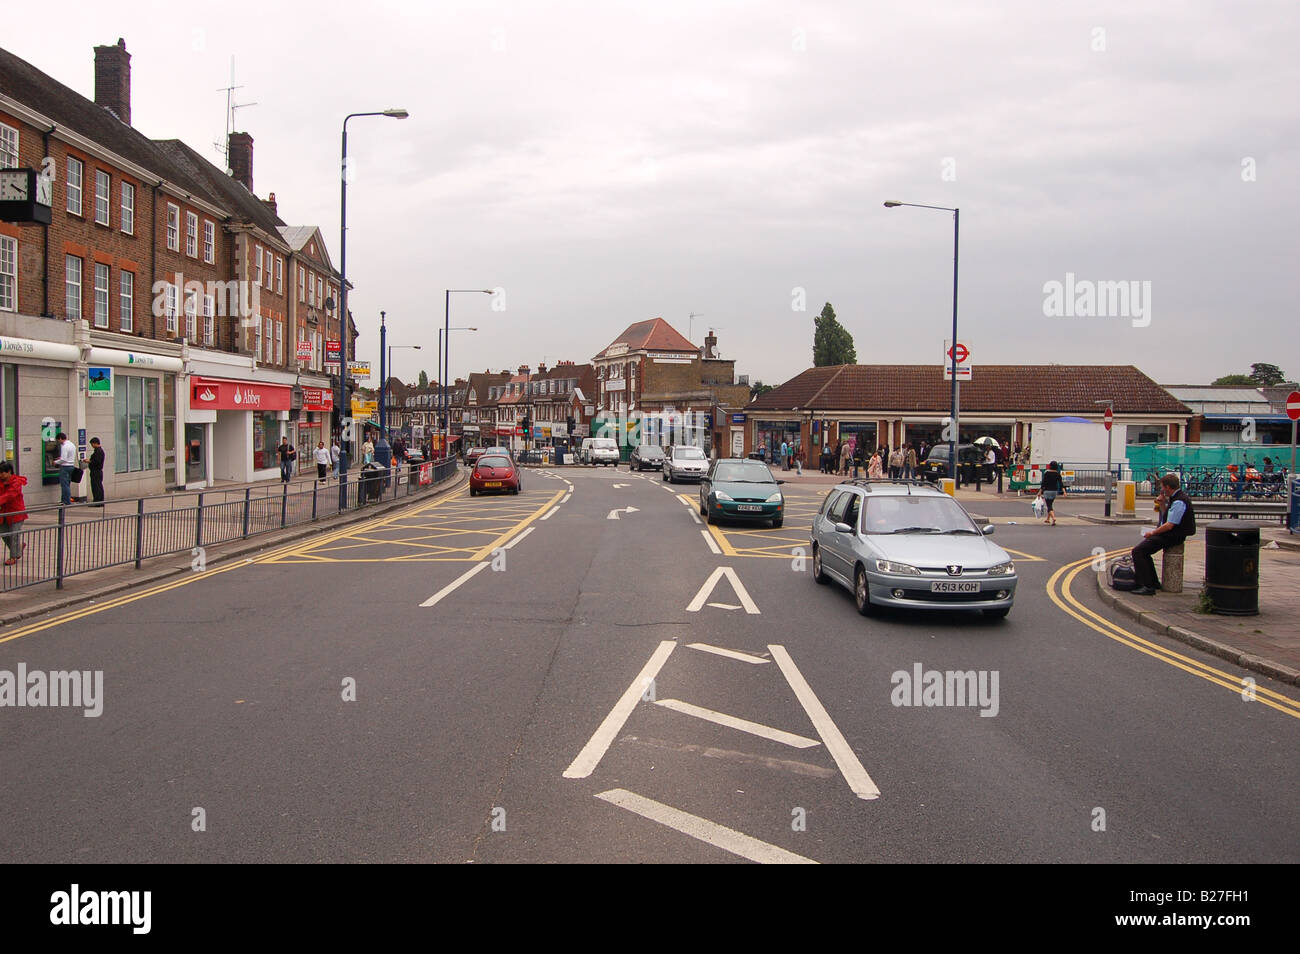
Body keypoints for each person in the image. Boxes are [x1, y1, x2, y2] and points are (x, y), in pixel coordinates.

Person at [1131, 473, 1197, 595]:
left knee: (1138, 551)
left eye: (1162, 487)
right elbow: (1168, 516)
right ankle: (1153, 582)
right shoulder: (1175, 498)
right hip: (1171, 533)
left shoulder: (1179, 501)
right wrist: (1162, 504)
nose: (1161, 489)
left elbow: (1169, 525)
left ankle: (1147, 586)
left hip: (1173, 535)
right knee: (1144, 552)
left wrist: (1152, 533)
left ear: (1167, 487)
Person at [0, 462, 28, 565]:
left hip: (16, 513)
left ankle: (13, 557)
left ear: (9, 472)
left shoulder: (16, 482)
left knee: (14, 534)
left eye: (2, 473)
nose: (0, 475)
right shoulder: (1, 482)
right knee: (3, 532)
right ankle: (18, 548)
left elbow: (9, 495)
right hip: (4, 513)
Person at [54, 432, 79, 505]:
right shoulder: (72, 444)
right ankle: (64, 500)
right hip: (71, 466)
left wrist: (56, 462)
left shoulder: (64, 446)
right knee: (67, 484)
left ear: (61, 438)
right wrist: (61, 458)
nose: (58, 442)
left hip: (65, 467)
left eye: (58, 440)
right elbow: (68, 456)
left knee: (64, 485)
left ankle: (66, 501)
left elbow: (63, 459)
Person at [1040, 460, 1064, 525]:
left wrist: (1040, 491)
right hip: (1054, 491)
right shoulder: (1057, 474)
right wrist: (1064, 491)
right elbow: (1061, 483)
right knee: (1050, 504)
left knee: (1049, 505)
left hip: (1047, 491)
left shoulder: (1047, 473)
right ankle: (1048, 519)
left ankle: (1053, 518)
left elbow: (1043, 483)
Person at [85, 437, 106, 505]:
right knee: (99, 486)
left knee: (96, 486)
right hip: (98, 471)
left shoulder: (98, 451)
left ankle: (97, 501)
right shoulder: (100, 451)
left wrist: (89, 461)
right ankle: (100, 501)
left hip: (96, 471)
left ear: (95, 443)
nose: (92, 446)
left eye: (92, 444)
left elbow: (96, 461)